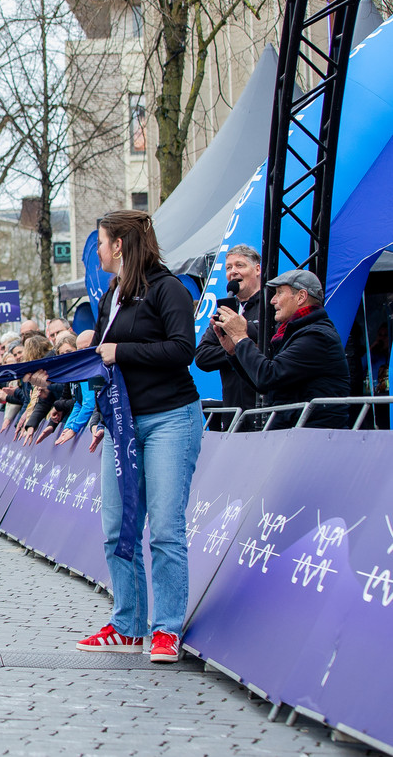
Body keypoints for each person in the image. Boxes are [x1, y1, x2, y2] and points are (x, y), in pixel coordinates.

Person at [78, 209, 201, 664]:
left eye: (102, 242)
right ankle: (128, 626)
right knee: (118, 529)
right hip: (123, 423)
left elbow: (181, 349)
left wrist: (119, 351)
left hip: (171, 417)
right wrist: (98, 415)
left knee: (166, 529)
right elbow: (104, 364)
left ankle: (166, 629)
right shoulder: (112, 294)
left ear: (121, 245)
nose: (99, 251)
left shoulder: (168, 288)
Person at [210, 269, 350, 429]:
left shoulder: (316, 336)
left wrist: (241, 338)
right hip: (299, 431)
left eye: (279, 293)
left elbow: (268, 377)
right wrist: (234, 352)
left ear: (301, 297)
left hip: (315, 436)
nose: (272, 301)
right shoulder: (298, 333)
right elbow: (266, 384)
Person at [195, 244, 265, 424]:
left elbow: (268, 347)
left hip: (265, 409)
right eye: (229, 267)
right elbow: (202, 357)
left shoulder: (271, 306)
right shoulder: (225, 310)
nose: (233, 271)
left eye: (240, 265)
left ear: (257, 269)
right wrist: (234, 350)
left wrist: (241, 341)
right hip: (233, 411)